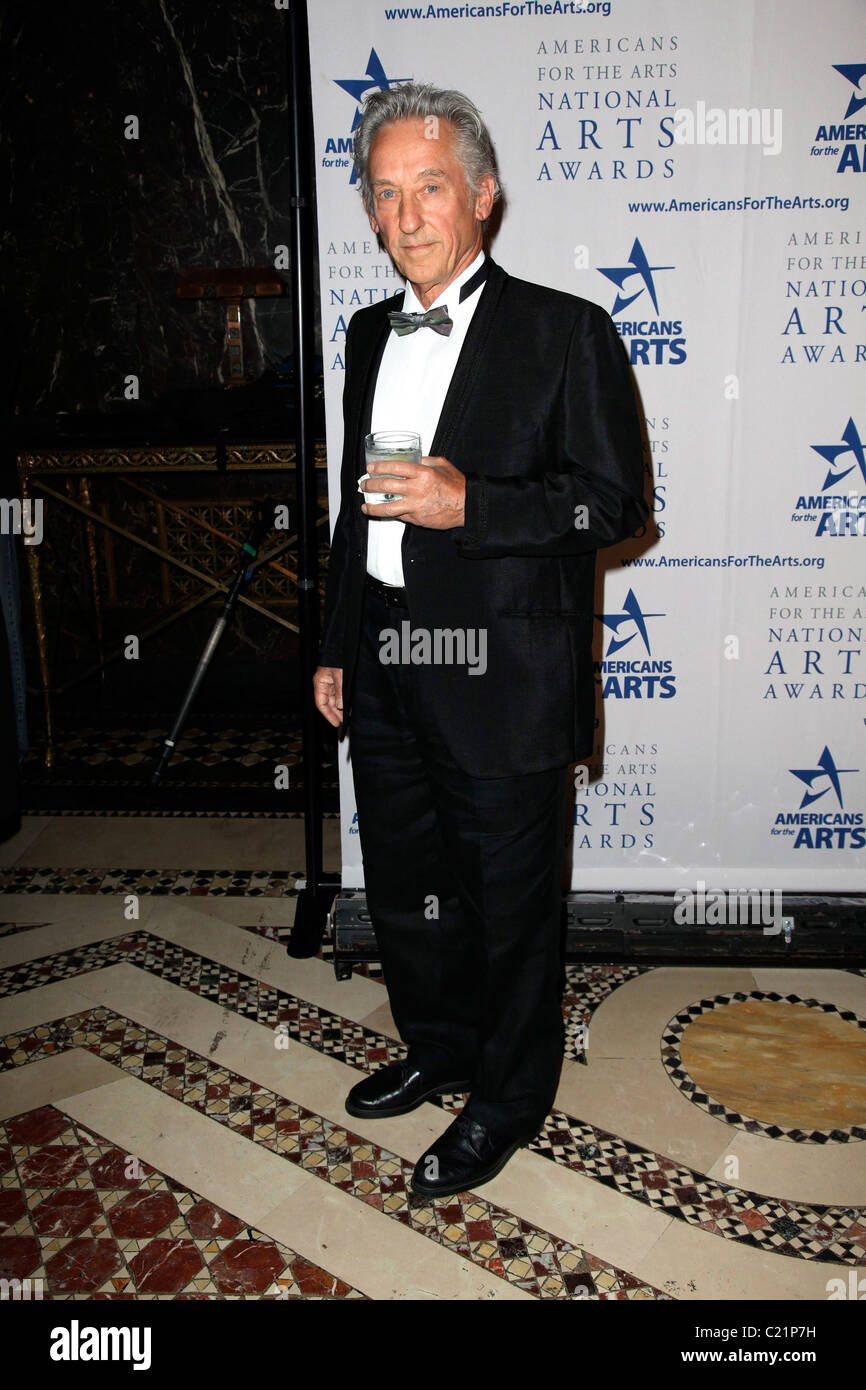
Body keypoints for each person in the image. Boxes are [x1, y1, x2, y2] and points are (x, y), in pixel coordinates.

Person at [313, 82, 647, 1199]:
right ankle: (440, 1045)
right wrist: (333, 646)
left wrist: (479, 506)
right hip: (388, 670)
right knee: (407, 888)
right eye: (384, 193)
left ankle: (506, 1097)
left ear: (483, 198)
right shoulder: (367, 333)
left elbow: (614, 502)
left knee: (509, 909)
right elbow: (349, 510)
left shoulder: (565, 333)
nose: (405, 217)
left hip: (502, 677)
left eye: (431, 189)